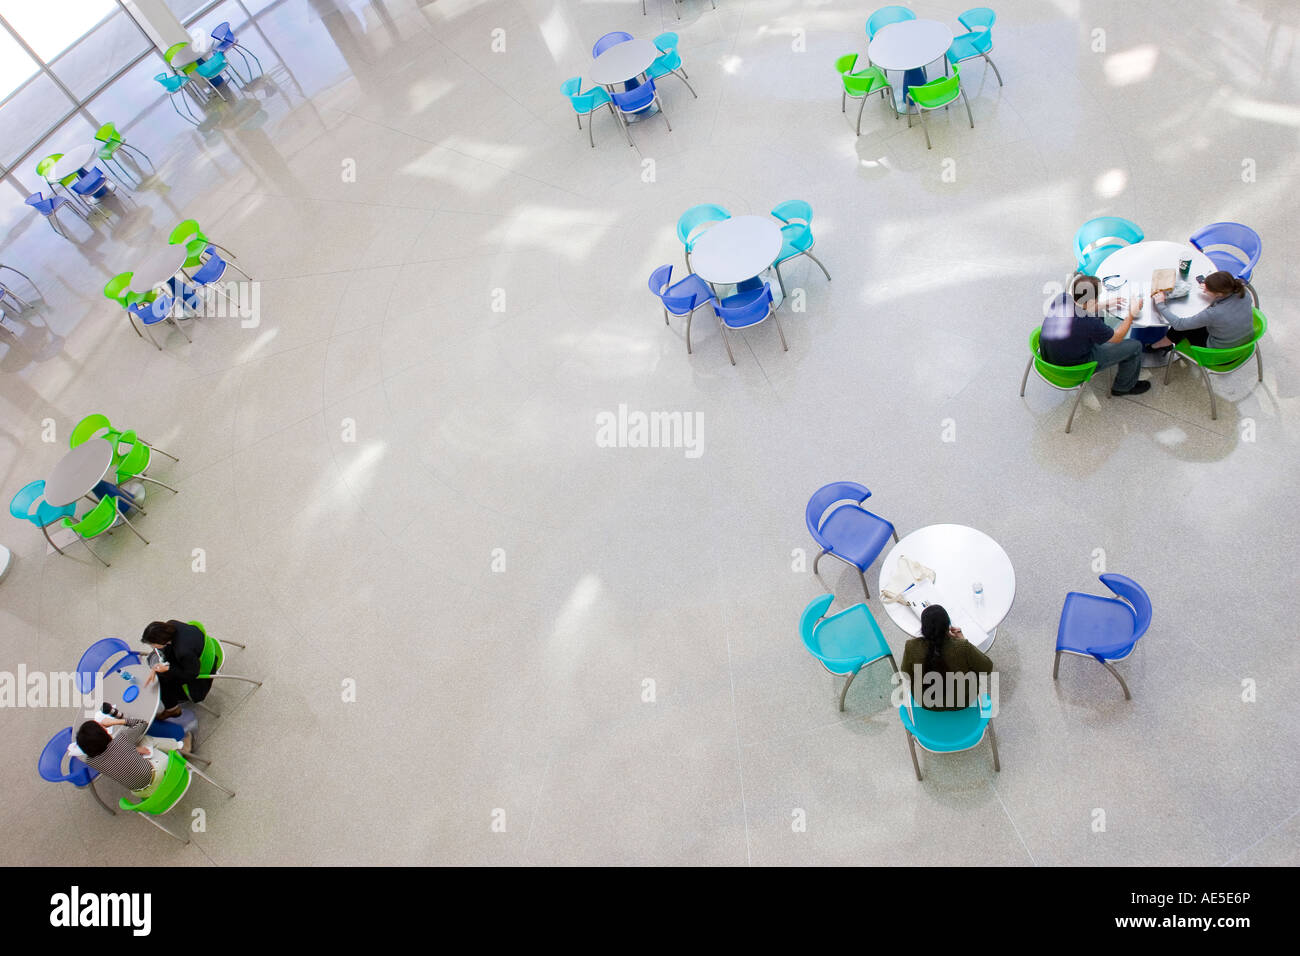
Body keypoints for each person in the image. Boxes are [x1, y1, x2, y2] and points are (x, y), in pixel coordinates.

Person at [1040, 272, 1150, 396]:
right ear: (1092, 299)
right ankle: (1123, 387)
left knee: (1099, 314)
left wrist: (1106, 304)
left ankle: (1101, 336)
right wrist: (1131, 314)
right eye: (1098, 296)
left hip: (1047, 355)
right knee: (1135, 346)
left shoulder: (1062, 298)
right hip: (1073, 368)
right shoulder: (1089, 323)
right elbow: (1118, 337)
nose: (1099, 299)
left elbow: (1082, 309)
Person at [900, 605, 993, 711]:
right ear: (948, 626)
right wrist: (963, 640)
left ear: (923, 628)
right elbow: (987, 668)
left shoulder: (911, 646)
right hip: (963, 701)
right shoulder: (962, 647)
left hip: (926, 702)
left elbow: (906, 674)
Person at [75, 717, 191, 796]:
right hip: (160, 775)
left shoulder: (90, 761)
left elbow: (113, 757)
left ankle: (178, 747)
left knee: (137, 748)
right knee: (146, 739)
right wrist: (114, 722)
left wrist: (133, 750)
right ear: (104, 733)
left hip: (142, 793)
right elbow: (142, 723)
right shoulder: (122, 739)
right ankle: (180, 747)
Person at [1146, 270, 1254, 352]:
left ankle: (1162, 344)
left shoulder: (1214, 313)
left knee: (1185, 325)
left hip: (1220, 351)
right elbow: (1227, 307)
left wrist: (1160, 304)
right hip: (1245, 341)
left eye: (1207, 289)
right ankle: (1167, 341)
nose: (1204, 289)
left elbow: (1179, 324)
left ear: (1219, 294)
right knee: (1193, 321)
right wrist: (1211, 290)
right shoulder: (1242, 292)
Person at [141, 620, 210, 719]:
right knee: (162, 669)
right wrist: (156, 666)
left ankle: (172, 710)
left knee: (163, 679)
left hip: (196, 668)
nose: (152, 647)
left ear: (162, 641)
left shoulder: (183, 652)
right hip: (197, 647)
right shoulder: (172, 623)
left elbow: (191, 675)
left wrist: (168, 669)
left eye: (153, 644)